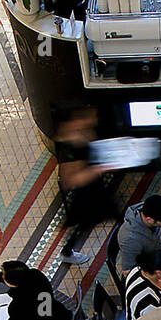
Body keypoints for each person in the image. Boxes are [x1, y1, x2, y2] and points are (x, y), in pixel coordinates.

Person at [54, 105, 117, 265]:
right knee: (86, 221)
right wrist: (98, 169)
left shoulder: (82, 132)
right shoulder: (69, 146)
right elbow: (70, 179)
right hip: (86, 193)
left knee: (110, 213)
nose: (93, 120)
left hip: (95, 188)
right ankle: (67, 251)